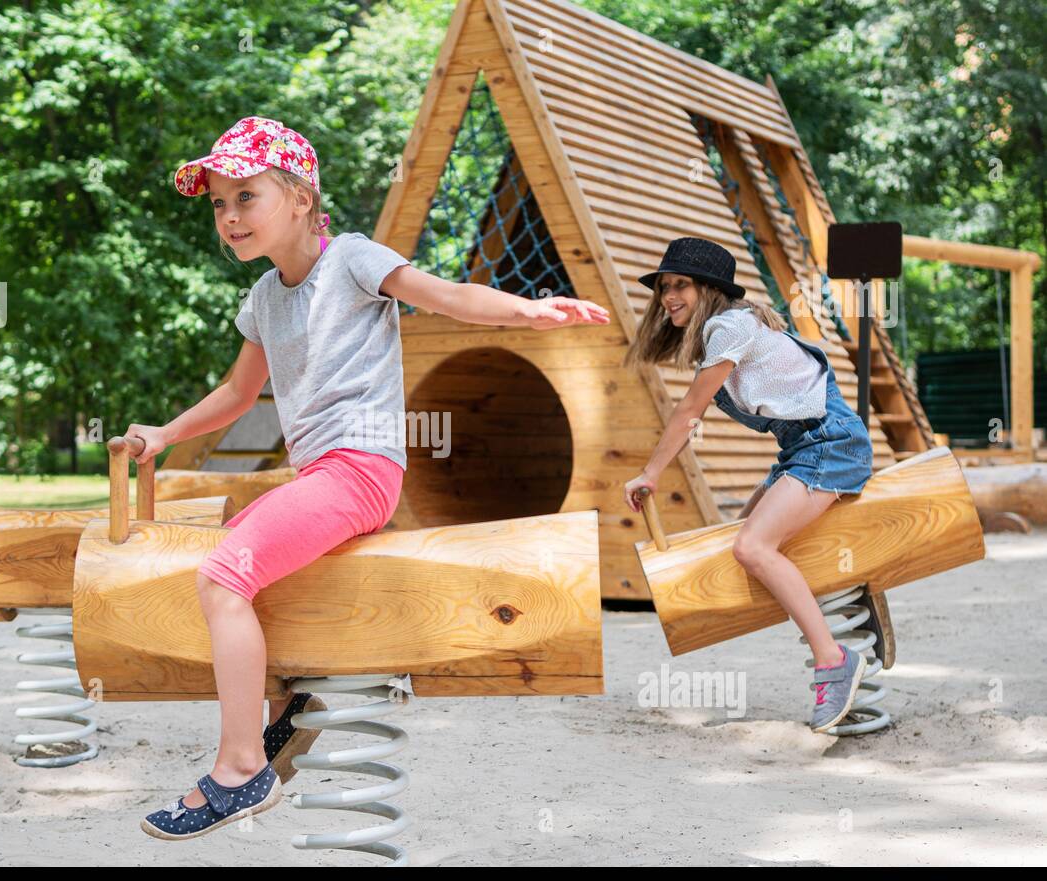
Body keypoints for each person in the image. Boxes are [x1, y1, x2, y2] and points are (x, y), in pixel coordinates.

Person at [128, 116, 611, 839]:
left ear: (299, 198)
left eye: (246, 197)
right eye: (219, 205)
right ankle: (288, 715)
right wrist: (165, 434)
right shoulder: (263, 298)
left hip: (359, 469)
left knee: (223, 575)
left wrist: (527, 310)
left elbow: (442, 293)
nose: (229, 217)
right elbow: (237, 394)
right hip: (318, 474)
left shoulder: (350, 258)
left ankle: (239, 771)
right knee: (244, 553)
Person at [621, 236, 874, 734]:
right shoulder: (729, 332)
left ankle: (833, 659)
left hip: (830, 444)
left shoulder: (729, 327)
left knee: (752, 547)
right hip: (803, 448)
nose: (669, 296)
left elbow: (688, 412)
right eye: (664, 287)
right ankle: (845, 611)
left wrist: (651, 473)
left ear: (710, 290)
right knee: (741, 533)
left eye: (681, 286)